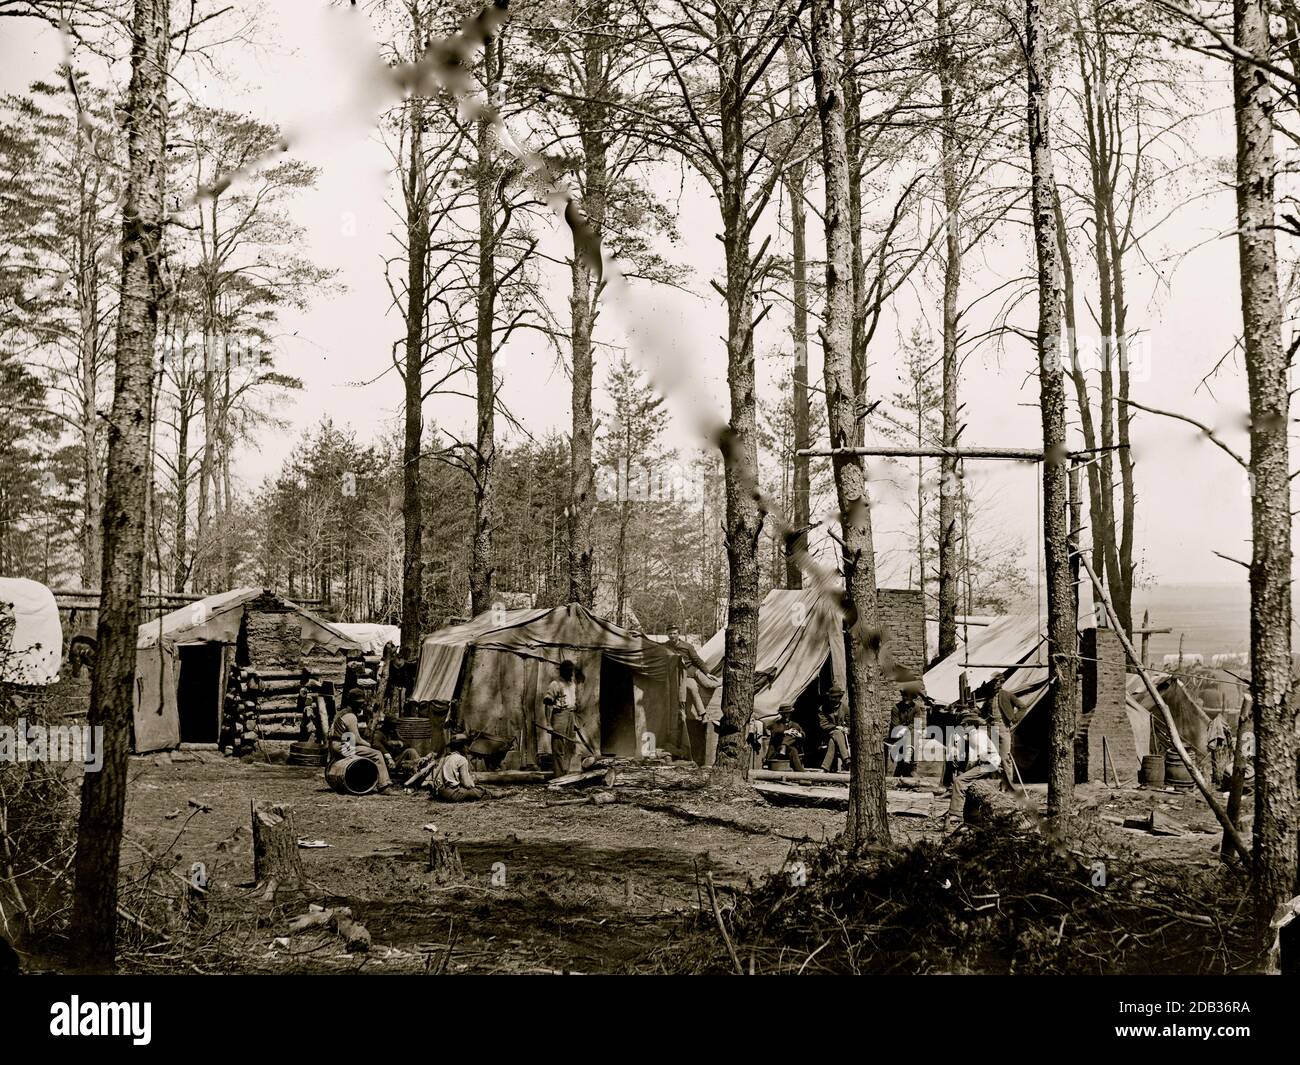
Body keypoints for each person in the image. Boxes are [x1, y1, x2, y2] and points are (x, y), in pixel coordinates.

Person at [943, 711, 1002, 831]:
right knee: (966, 782)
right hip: (987, 762)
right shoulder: (970, 735)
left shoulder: (976, 736)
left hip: (988, 763)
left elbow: (979, 757)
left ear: (970, 725)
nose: (962, 728)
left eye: (964, 725)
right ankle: (971, 817)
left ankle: (956, 814)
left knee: (960, 781)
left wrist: (967, 770)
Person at [328, 697, 393, 794]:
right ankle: (384, 785)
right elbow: (357, 739)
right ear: (353, 703)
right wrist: (369, 745)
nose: (361, 706)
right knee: (377, 754)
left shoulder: (340, 713)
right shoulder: (351, 716)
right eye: (359, 703)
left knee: (366, 753)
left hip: (334, 745)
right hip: (342, 746)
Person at [542, 659, 581, 777]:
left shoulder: (572, 684)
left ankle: (567, 773)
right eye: (568, 671)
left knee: (570, 746)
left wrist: (575, 721)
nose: (571, 673)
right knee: (558, 746)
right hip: (559, 715)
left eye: (571, 671)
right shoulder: (555, 684)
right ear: (563, 672)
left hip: (570, 715)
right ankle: (558, 775)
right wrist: (548, 723)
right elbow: (548, 704)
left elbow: (574, 702)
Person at [432, 734, 488, 802]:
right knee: (480, 790)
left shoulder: (444, 759)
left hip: (440, 793)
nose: (468, 748)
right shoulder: (461, 759)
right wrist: (472, 782)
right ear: (463, 747)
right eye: (467, 745)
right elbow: (467, 784)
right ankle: (494, 794)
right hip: (453, 793)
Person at [817, 686, 850, 773]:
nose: (834, 699)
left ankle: (825, 768)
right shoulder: (823, 709)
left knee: (834, 741)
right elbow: (823, 725)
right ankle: (846, 758)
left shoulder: (845, 708)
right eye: (832, 697)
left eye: (836, 697)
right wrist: (836, 727)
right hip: (828, 734)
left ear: (840, 697)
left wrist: (847, 729)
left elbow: (850, 723)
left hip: (843, 736)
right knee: (836, 733)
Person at [766, 705, 806, 772]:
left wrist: (800, 735)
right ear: (781, 714)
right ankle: (802, 774)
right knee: (791, 735)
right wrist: (785, 732)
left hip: (788, 750)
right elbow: (774, 733)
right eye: (785, 714)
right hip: (778, 750)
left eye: (788, 713)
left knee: (793, 743)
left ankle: (784, 746)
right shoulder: (777, 724)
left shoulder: (795, 724)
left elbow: (803, 734)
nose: (787, 716)